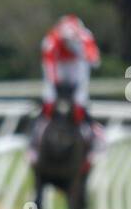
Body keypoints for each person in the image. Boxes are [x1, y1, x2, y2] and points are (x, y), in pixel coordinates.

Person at [27, 15, 104, 166]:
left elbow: (94, 62)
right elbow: (49, 69)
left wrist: (81, 50)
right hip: (58, 68)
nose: (69, 45)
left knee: (80, 105)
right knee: (49, 104)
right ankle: (34, 144)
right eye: (67, 42)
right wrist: (57, 88)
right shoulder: (51, 41)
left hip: (77, 67)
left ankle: (94, 139)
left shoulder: (85, 37)